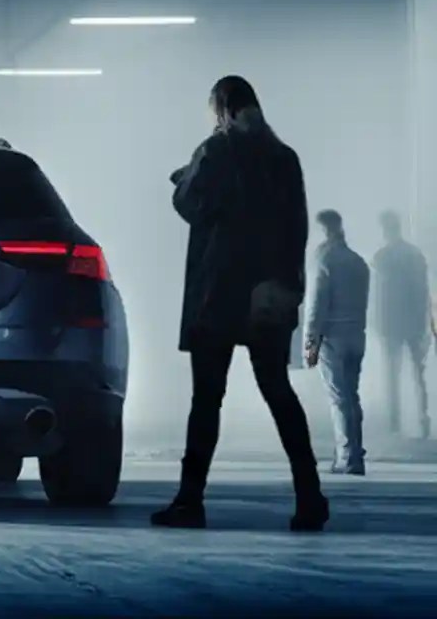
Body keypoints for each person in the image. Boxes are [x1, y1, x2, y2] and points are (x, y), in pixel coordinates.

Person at [153, 76, 328, 532]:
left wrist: (183, 178)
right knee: (279, 394)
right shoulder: (284, 157)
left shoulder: (217, 151)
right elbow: (298, 227)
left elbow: (191, 204)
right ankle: (310, 497)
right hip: (268, 295)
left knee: (207, 400)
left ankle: (190, 502)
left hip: (219, 296)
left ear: (222, 110)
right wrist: (290, 285)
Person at [304, 210, 370, 475]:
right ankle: (356, 452)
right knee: (352, 396)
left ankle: (347, 457)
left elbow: (316, 305)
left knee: (338, 398)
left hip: (332, 337)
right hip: (357, 334)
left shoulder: (324, 259)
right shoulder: (358, 261)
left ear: (322, 230)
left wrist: (311, 345)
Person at [372, 210, 432, 439]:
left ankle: (394, 423)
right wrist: (426, 325)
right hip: (414, 324)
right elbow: (423, 292)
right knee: (419, 375)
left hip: (391, 325)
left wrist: (377, 323)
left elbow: (379, 295)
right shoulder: (415, 255)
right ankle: (423, 419)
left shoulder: (382, 256)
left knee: (392, 376)